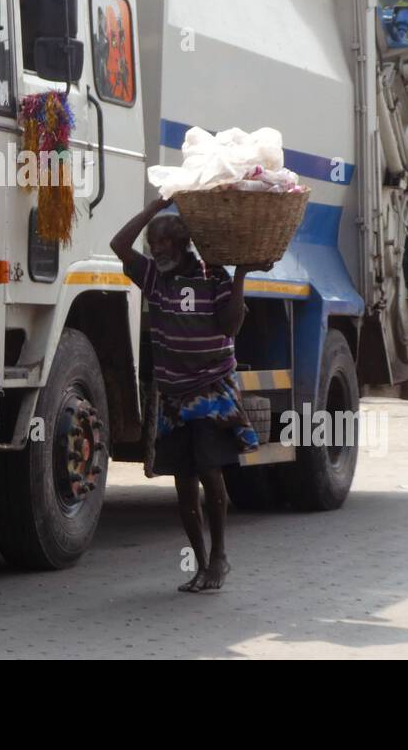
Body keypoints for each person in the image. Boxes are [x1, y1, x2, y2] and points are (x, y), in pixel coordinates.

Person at [111, 196, 260, 592]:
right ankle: (199, 562)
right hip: (174, 395)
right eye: (154, 245)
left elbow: (230, 328)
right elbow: (118, 246)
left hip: (211, 389)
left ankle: (220, 557)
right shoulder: (154, 278)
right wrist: (153, 209)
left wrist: (241, 275)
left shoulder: (213, 276)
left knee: (211, 473)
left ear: (183, 245)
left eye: (165, 245)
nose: (157, 252)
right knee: (182, 482)